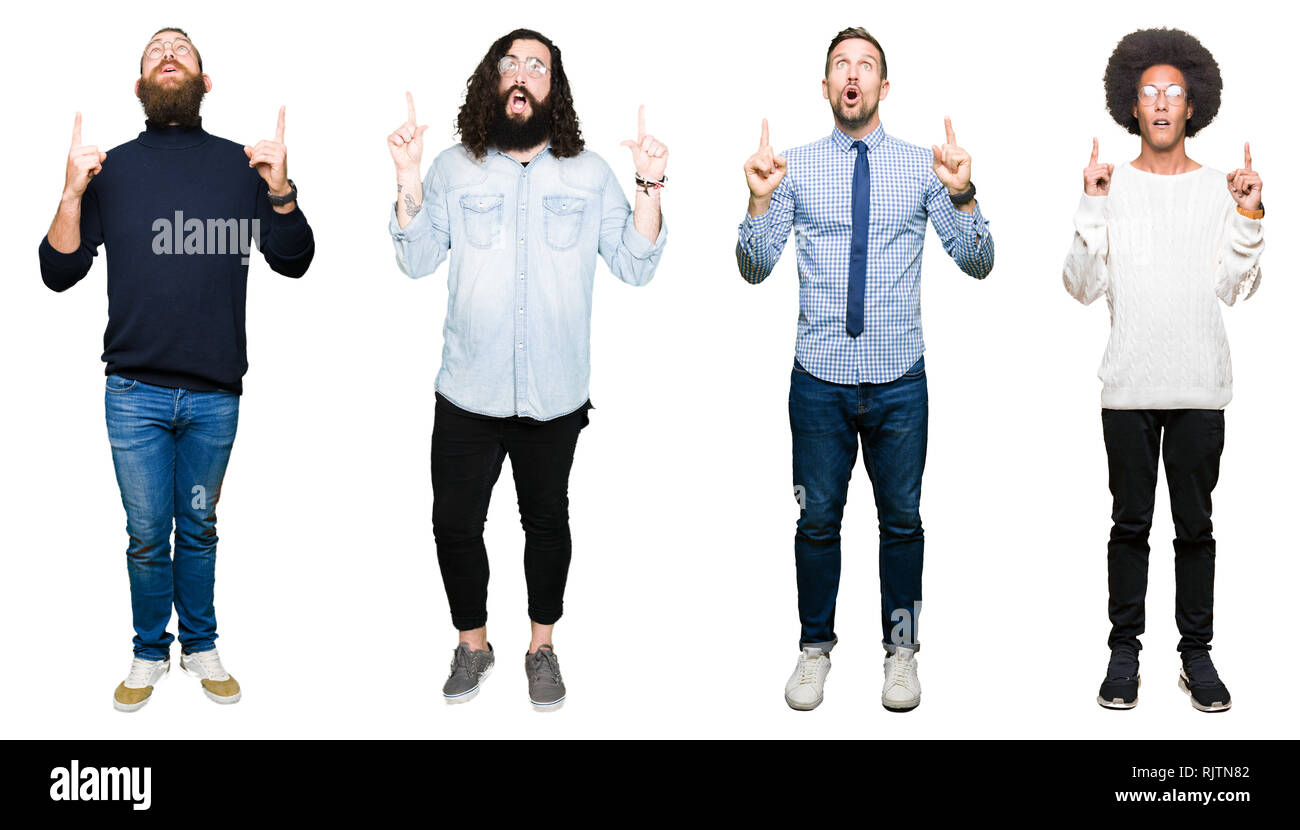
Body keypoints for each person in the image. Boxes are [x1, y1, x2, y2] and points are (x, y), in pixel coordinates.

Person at [387, 28, 667, 711]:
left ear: (553, 88)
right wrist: (406, 178)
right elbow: (416, 260)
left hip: (554, 394)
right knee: (454, 523)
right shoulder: (454, 168)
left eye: (536, 67)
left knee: (546, 521)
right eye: (509, 64)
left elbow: (635, 265)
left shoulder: (591, 172)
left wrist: (651, 183)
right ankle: (473, 644)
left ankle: (541, 648)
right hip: (467, 391)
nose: (521, 75)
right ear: (492, 81)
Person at [38, 27, 315, 711]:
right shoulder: (112, 170)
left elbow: (295, 257)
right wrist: (71, 192)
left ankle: (201, 644)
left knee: (196, 526)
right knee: (143, 534)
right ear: (140, 86)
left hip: (215, 396)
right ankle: (145, 652)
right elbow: (58, 271)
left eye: (182, 51)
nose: (169, 55)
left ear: (203, 81)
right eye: (155, 53)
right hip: (133, 395)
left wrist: (280, 190)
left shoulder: (240, 165)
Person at [736, 26, 994, 712]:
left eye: (867, 66)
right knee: (816, 521)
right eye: (841, 66)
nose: (853, 75)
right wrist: (759, 200)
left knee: (902, 523)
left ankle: (902, 650)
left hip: (900, 386)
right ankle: (814, 648)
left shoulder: (922, 165)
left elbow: (977, 261)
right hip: (817, 383)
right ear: (826, 87)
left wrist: (964, 196)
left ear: (884, 86)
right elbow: (755, 269)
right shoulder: (790, 167)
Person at [1064, 28, 1261, 714]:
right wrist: (1090, 201)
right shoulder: (1109, 186)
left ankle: (1197, 655)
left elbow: (1237, 287)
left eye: (1174, 92)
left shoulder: (1218, 189)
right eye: (1149, 91)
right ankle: (1124, 654)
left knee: (1196, 529)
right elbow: (1080, 286)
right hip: (1127, 388)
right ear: (1131, 102)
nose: (1161, 102)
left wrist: (1248, 213)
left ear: (1193, 104)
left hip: (1200, 385)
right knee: (1129, 526)